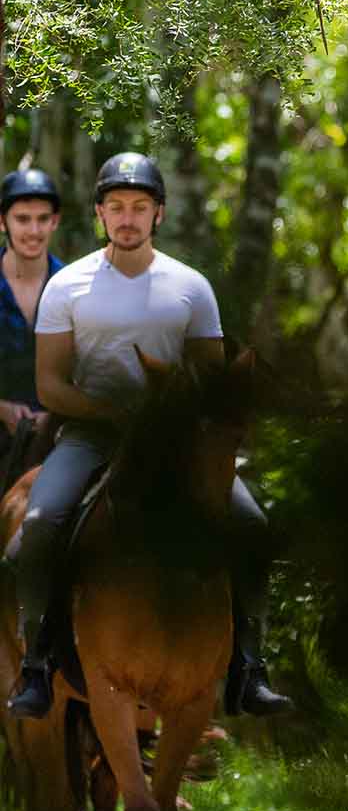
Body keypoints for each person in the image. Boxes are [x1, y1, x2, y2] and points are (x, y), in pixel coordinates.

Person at [4, 152, 291, 720]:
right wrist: (111, 413)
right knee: (37, 526)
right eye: (116, 207)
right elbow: (51, 385)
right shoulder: (67, 285)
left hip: (177, 448)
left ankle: (248, 669)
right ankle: (36, 666)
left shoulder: (191, 288)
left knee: (252, 525)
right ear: (99, 214)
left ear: (158, 214)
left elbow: (210, 382)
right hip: (90, 433)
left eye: (139, 207)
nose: (127, 218)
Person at [0, 169, 64, 452]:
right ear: (2, 222)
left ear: (55, 222)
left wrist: (57, 414)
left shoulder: (73, 286)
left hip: (57, 434)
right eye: (23, 220)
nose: (34, 231)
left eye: (43, 219)